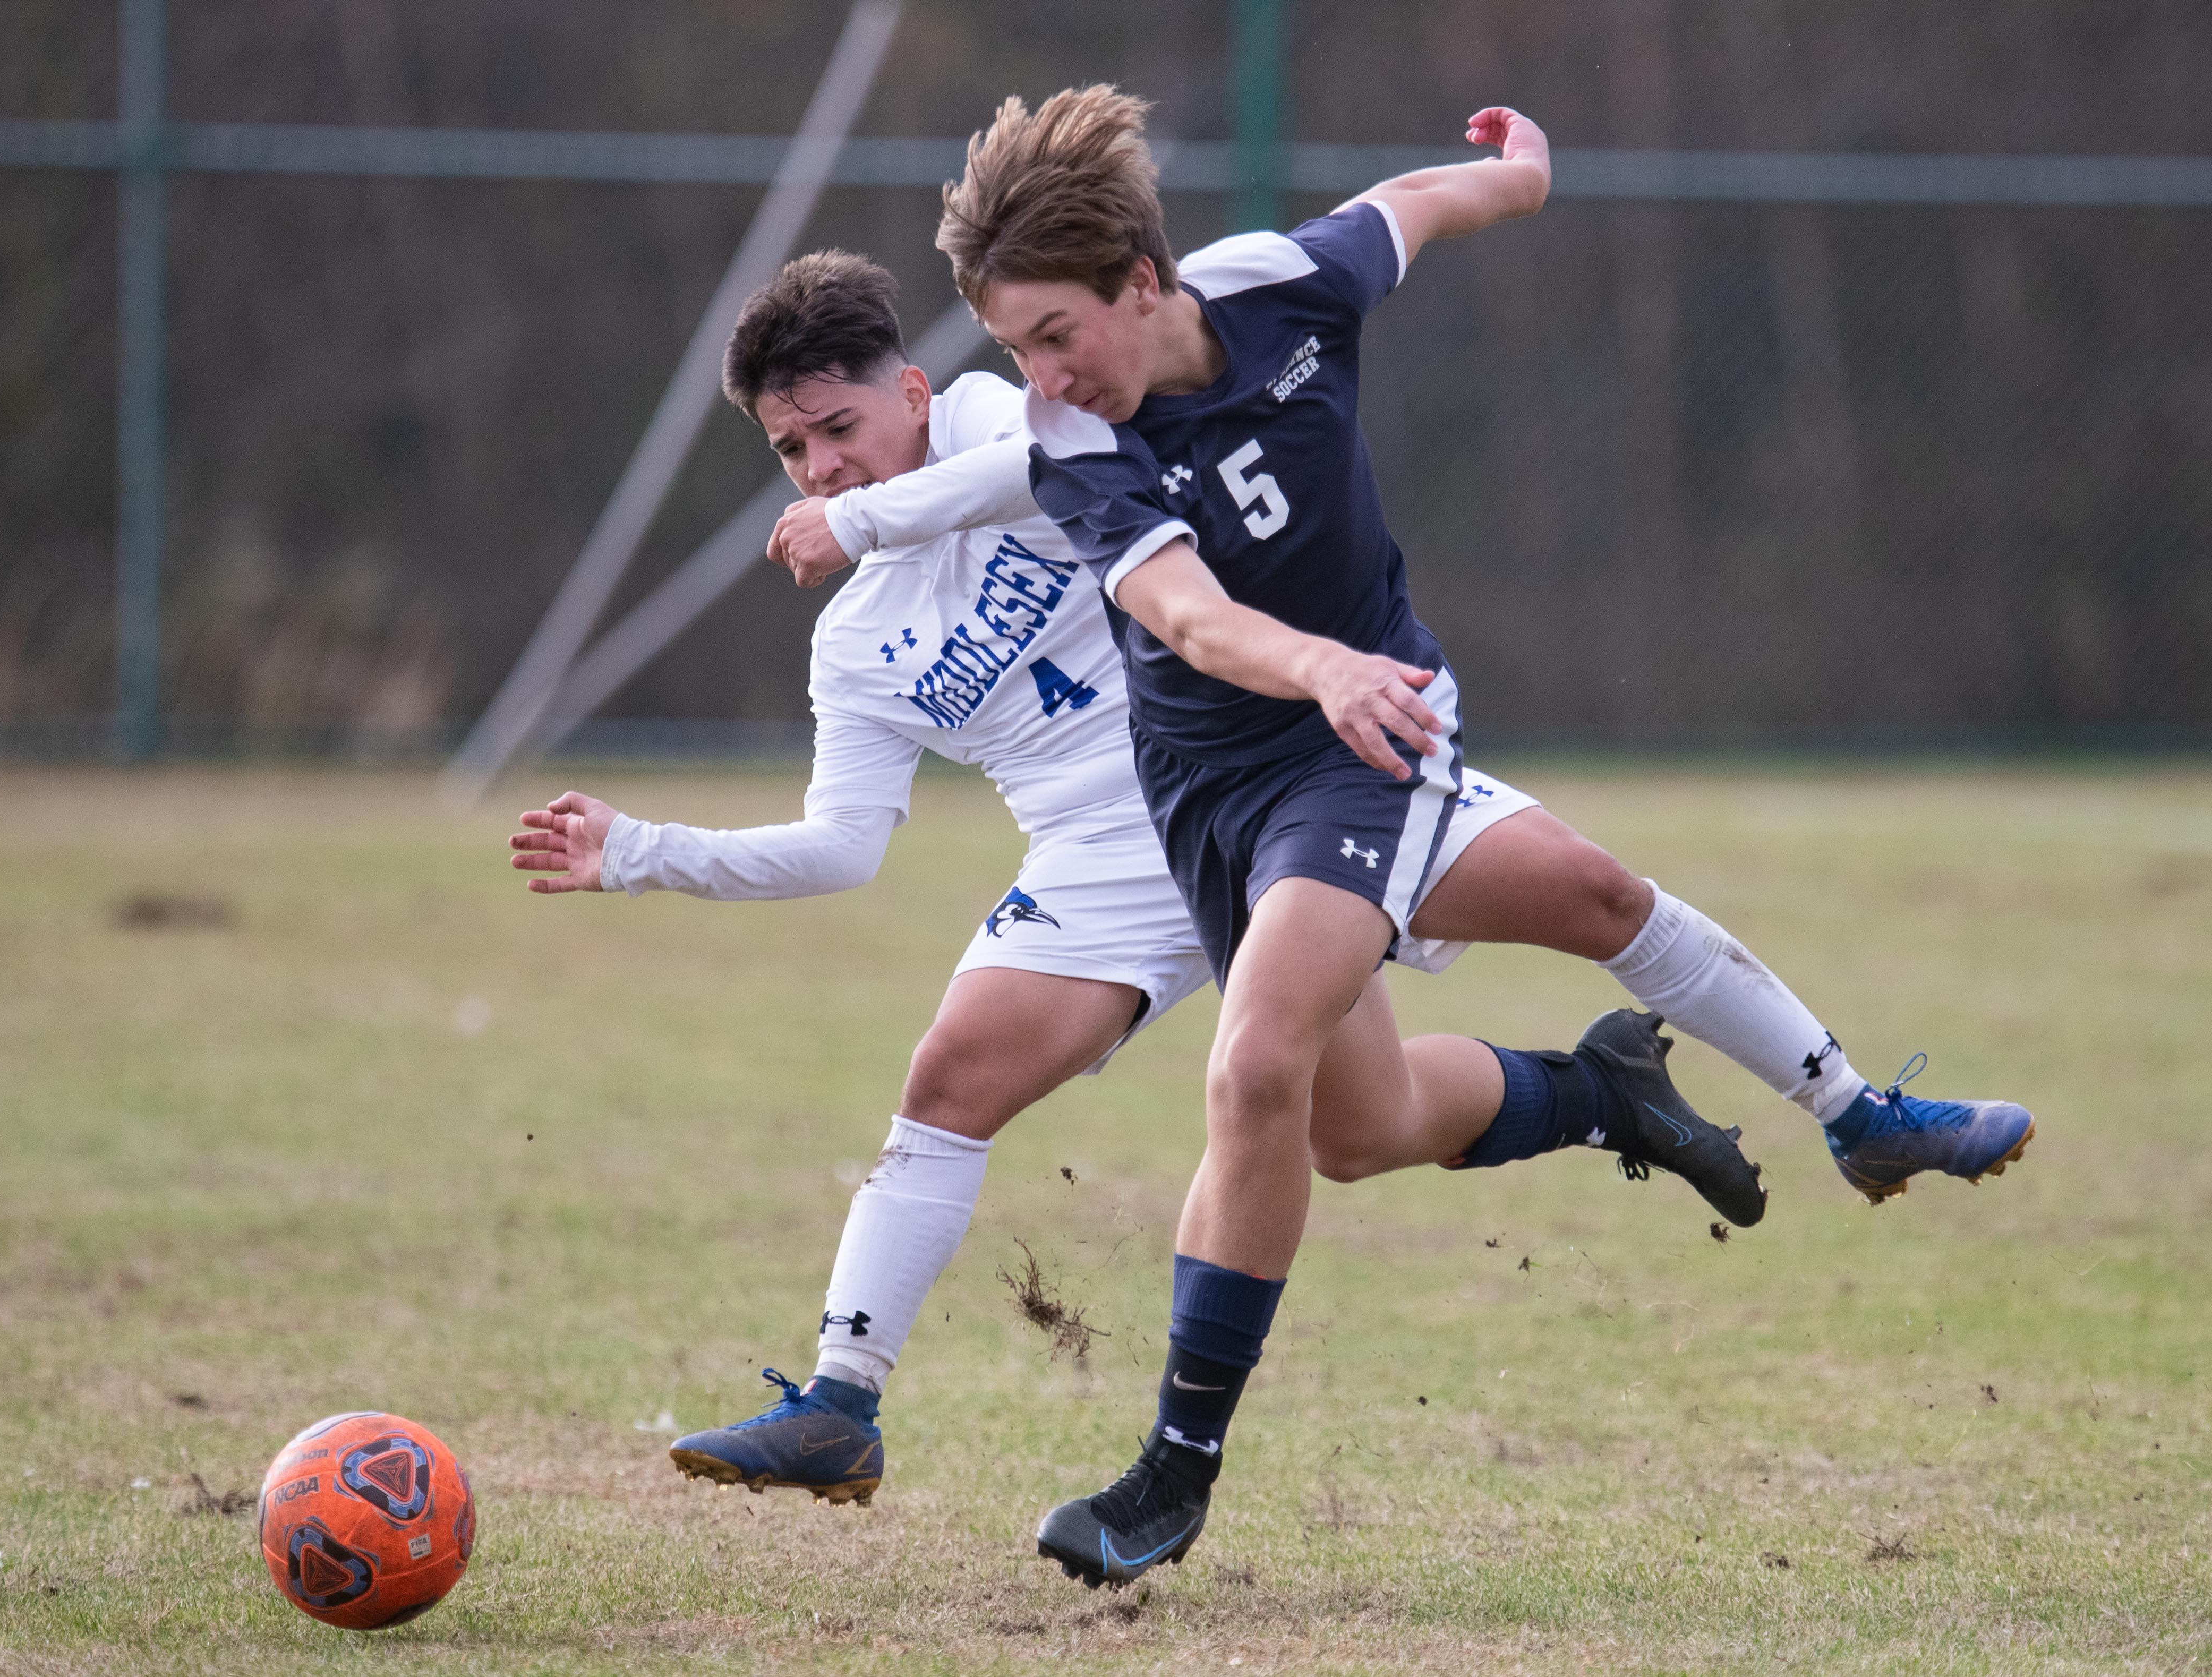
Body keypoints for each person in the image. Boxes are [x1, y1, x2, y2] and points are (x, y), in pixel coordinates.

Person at [933, 85, 2037, 1584]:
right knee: (1355, 1123)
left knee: (1262, 1052)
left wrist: (1514, 177)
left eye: (1053, 332)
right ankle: (1601, 1093)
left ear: (1141, 281)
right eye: (1011, 347)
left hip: (1365, 742)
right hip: (1223, 786)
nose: (1035, 373)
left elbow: (1408, 213)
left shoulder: (1280, 284)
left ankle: (1167, 1479)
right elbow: (1184, 612)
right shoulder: (1077, 444)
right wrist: (1312, 661)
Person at [507, 249, 1760, 1509]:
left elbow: (1037, 472)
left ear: (915, 390)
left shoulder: (1010, 420)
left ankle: (1629, 1086)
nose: (824, 468)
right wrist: (638, 852)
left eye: (838, 428)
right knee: (958, 1082)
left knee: (1365, 1126)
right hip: (1098, 862)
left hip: (1249, 783)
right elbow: (843, 844)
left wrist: (870, 514)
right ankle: (841, 1402)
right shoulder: (855, 641)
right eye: (793, 453)